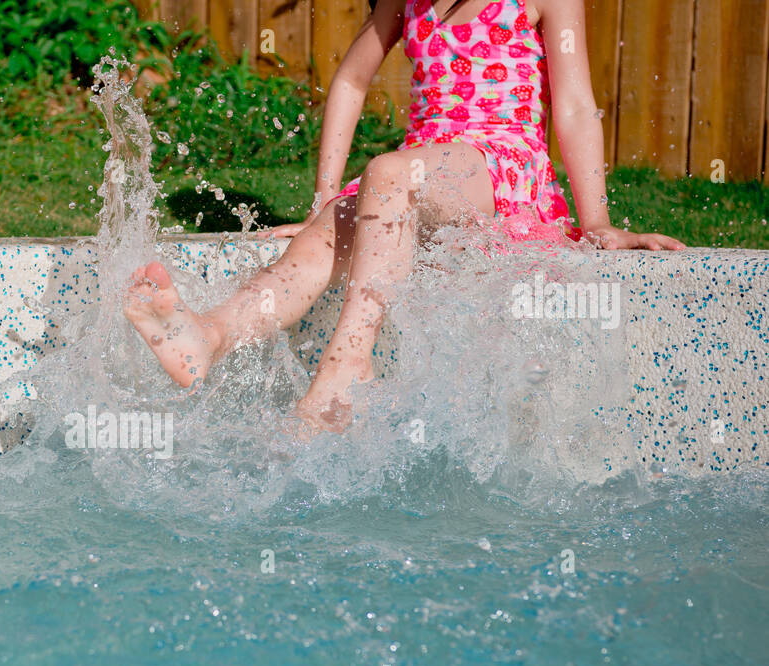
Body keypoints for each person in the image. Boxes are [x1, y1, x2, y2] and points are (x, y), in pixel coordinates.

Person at [123, 0, 684, 431]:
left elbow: (578, 106)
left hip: (502, 167)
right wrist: (324, 202)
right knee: (317, 244)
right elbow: (350, 80)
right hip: (420, 173)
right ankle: (207, 335)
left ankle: (347, 365)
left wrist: (598, 220)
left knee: (388, 174)